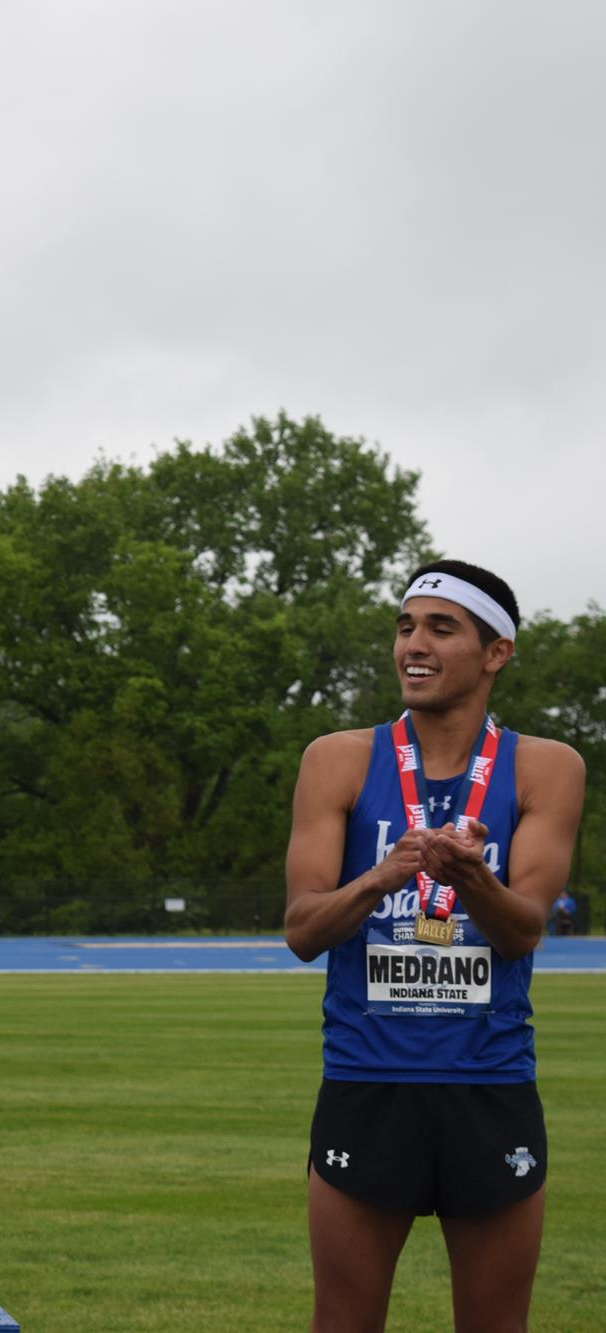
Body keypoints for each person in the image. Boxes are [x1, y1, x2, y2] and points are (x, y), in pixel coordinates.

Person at [284, 560, 585, 1332]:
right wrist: (383, 876)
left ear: (496, 653)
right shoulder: (338, 758)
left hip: (489, 1082)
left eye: (440, 628)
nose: (413, 644)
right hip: (366, 1079)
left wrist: (470, 875)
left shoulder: (546, 766)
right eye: (405, 627)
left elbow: (523, 928)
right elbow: (303, 930)